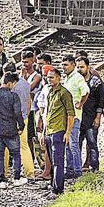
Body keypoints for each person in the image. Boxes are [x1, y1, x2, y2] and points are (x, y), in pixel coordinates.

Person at [0, 72, 26, 188]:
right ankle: (16, 178)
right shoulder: (14, 96)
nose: (14, 86)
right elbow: (18, 113)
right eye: (14, 84)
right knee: (16, 154)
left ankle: (1, 179)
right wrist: (21, 126)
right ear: (9, 83)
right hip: (11, 130)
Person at [41, 68, 75, 196]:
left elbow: (71, 114)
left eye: (52, 77)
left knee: (58, 161)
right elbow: (47, 113)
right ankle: (53, 186)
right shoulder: (50, 92)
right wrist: (44, 132)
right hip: (49, 130)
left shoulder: (64, 93)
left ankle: (58, 189)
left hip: (59, 131)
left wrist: (67, 133)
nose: (49, 79)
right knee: (52, 160)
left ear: (59, 78)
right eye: (48, 77)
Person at [60, 54, 89, 178]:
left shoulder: (77, 77)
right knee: (67, 144)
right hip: (67, 116)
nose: (64, 68)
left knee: (73, 144)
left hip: (75, 116)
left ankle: (77, 170)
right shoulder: (67, 78)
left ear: (73, 65)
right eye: (63, 65)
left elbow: (86, 91)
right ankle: (70, 170)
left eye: (66, 65)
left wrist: (81, 103)